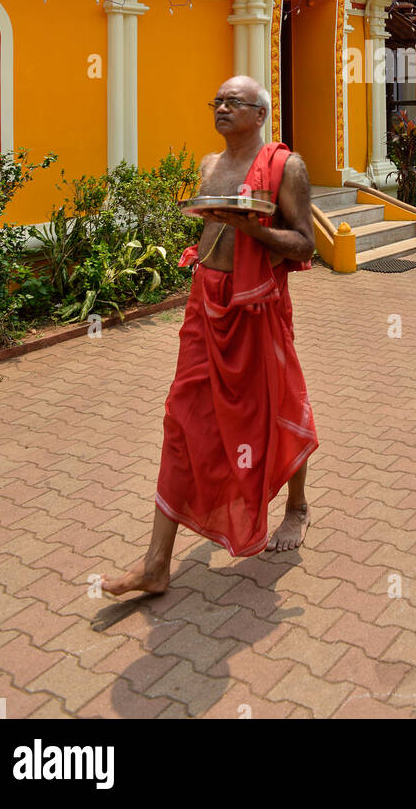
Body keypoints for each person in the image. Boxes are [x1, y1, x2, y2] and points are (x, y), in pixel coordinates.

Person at [103, 76, 318, 596]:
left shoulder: (286, 167)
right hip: (207, 305)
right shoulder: (208, 165)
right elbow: (208, 228)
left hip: (258, 307)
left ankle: (297, 505)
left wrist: (256, 232)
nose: (221, 108)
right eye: (216, 101)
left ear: (260, 114)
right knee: (181, 421)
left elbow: (305, 243)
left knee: (275, 406)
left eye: (233, 102)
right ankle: (156, 564)